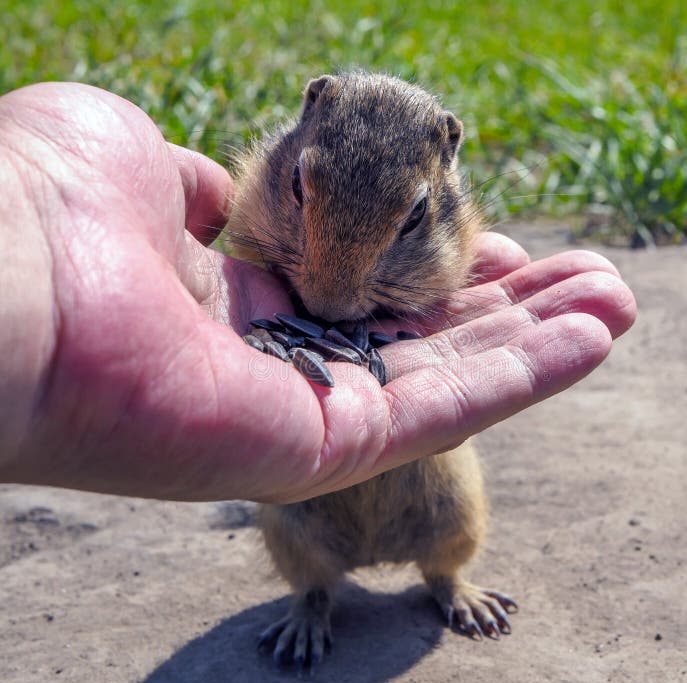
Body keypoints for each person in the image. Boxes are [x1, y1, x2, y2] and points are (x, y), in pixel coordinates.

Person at [0, 82, 636, 504]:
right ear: (310, 112)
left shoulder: (444, 212)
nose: (329, 293)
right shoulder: (274, 177)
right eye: (304, 192)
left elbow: (448, 268)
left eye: (412, 218)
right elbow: (245, 234)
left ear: (449, 156)